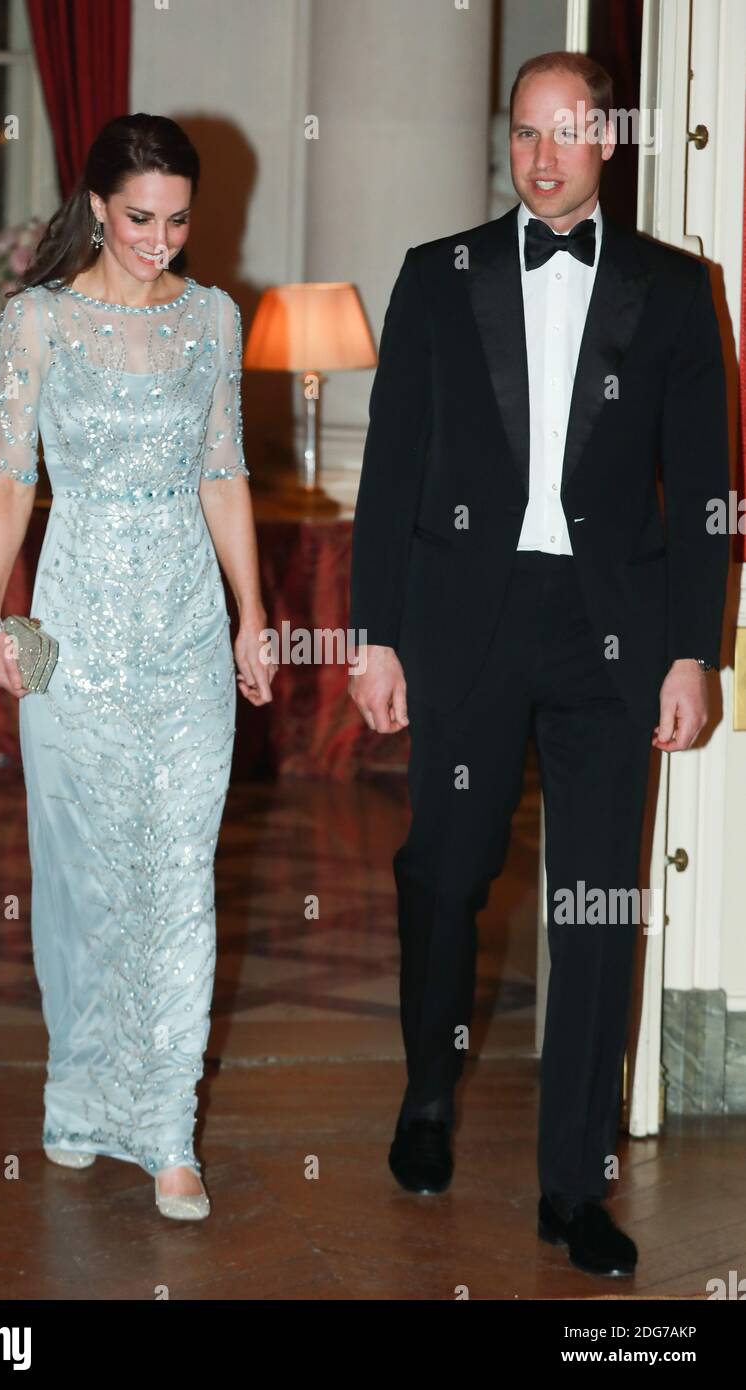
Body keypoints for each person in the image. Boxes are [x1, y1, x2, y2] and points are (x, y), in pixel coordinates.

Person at [348, 51, 729, 1277]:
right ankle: (425, 1094)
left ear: (606, 138)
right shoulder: (434, 275)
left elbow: (706, 492)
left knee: (593, 910)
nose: (541, 155)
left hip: (608, 634)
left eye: (565, 133)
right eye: (523, 133)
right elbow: (388, 469)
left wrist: (691, 651)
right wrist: (375, 635)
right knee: (445, 875)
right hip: (464, 615)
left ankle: (573, 1185)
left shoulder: (678, 291)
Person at [0, 113, 274, 1221]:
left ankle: (164, 1127)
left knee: (177, 874)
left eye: (178, 218)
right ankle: (79, 1089)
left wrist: (251, 615)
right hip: (64, 626)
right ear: (97, 206)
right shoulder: (37, 319)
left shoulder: (211, 316)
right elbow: (8, 477)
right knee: (81, 870)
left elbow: (223, 469)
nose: (160, 238)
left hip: (187, 629)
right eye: (139, 217)